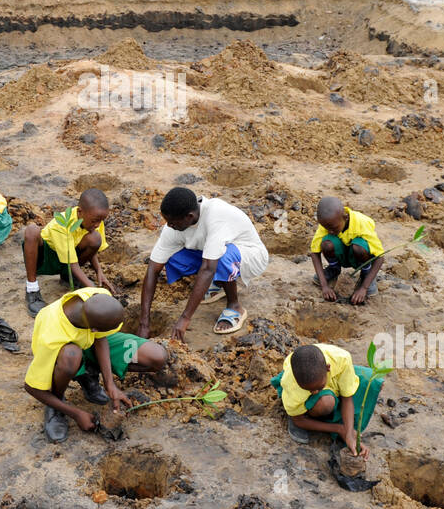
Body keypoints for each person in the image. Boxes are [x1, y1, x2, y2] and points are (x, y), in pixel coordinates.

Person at [24, 287, 168, 442]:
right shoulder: (51, 334)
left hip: (89, 341)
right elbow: (31, 387)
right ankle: (56, 404)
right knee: (71, 356)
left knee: (157, 357)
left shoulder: (99, 297)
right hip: (64, 353)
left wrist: (109, 384)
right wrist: (76, 413)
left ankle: (88, 373)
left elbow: (101, 338)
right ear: (94, 328)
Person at [138, 187, 269, 339]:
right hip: (215, 254)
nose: (168, 226)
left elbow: (208, 268)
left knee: (220, 257)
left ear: (189, 216)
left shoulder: (216, 216)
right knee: (172, 257)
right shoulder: (174, 227)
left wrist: (184, 319)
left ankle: (234, 305)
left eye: (172, 222)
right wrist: (144, 322)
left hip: (250, 254)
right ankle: (219, 283)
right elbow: (153, 268)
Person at [21, 189, 114, 316]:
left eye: (101, 220)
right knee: (32, 230)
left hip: (69, 259)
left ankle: (67, 277)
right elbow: (73, 264)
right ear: (80, 212)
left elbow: (94, 248)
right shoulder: (62, 224)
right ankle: (32, 289)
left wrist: (99, 271)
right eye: (95, 220)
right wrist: (93, 290)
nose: (98, 224)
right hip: (46, 258)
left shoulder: (95, 221)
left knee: (95, 238)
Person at [270, 343, 380, 451]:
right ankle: (306, 412)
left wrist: (349, 432)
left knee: (373, 381)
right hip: (310, 385)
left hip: (331, 374)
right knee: (326, 403)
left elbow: (347, 398)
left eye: (319, 388)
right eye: (309, 390)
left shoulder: (342, 359)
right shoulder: (293, 383)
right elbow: (298, 420)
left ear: (328, 368)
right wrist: (339, 429)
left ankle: (336, 416)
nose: (314, 392)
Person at [310, 196, 384, 304]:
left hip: (359, 257)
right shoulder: (328, 223)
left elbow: (380, 258)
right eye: (327, 228)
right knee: (326, 244)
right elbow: (314, 253)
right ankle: (334, 269)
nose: (330, 231)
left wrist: (364, 288)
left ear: (345, 217)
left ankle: (366, 274)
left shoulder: (362, 223)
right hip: (342, 256)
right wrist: (324, 286)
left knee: (358, 247)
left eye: (334, 228)